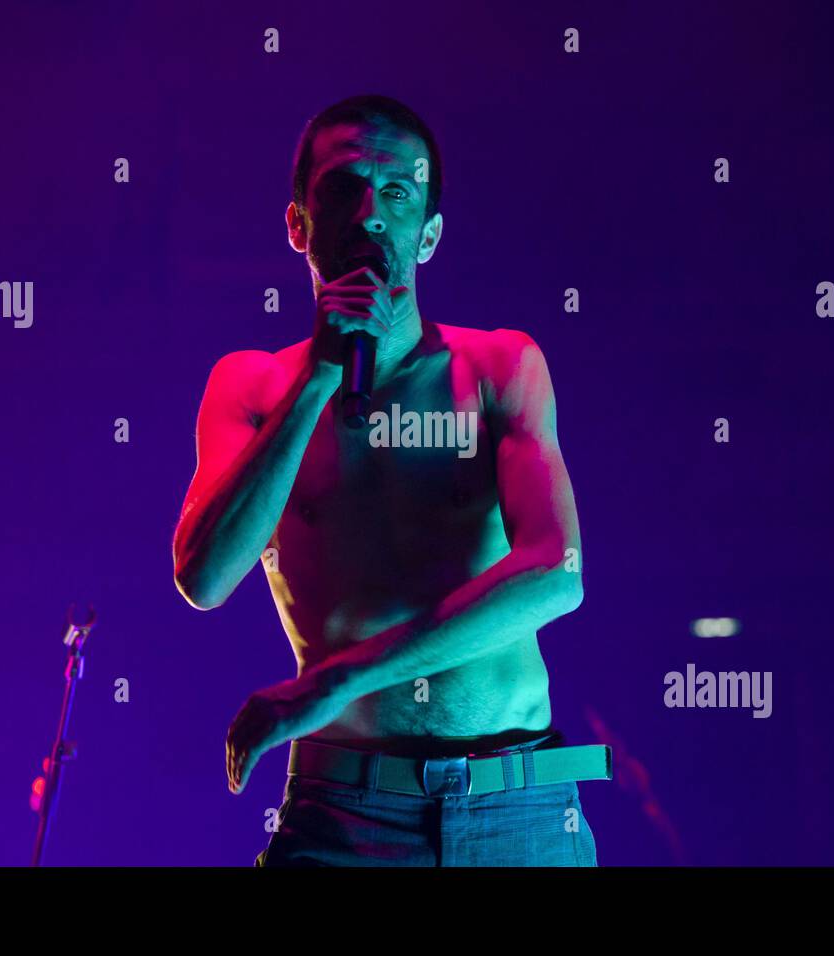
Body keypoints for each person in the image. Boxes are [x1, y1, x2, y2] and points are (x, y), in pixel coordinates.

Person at [172, 94, 608, 866]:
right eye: (344, 187)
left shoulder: (499, 368)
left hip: (517, 803)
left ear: (429, 233)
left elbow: (557, 574)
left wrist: (332, 682)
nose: (371, 213)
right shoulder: (250, 387)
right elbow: (204, 578)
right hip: (343, 814)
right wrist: (319, 378)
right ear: (298, 224)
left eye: (398, 191)